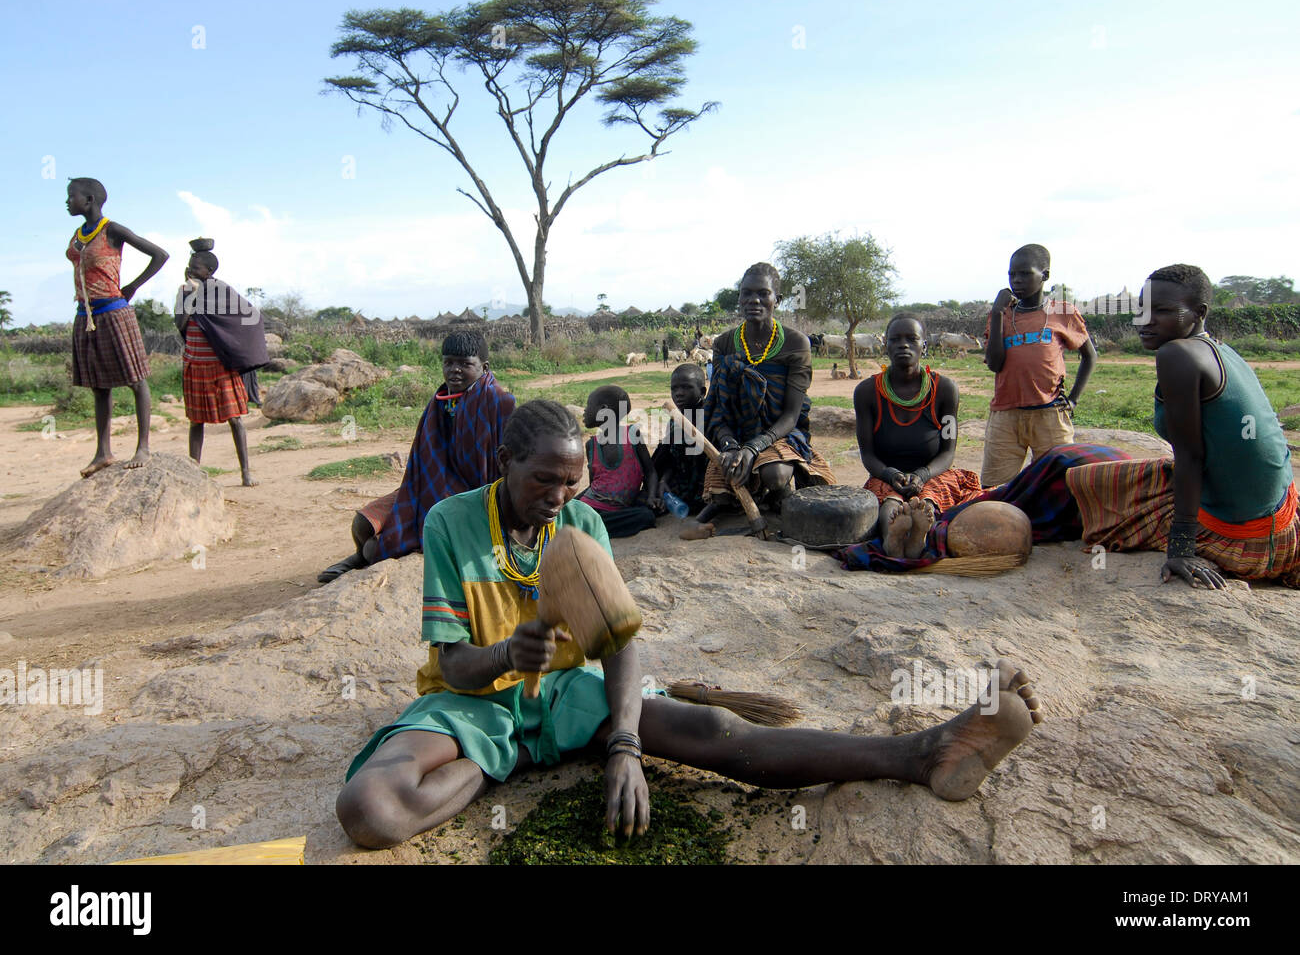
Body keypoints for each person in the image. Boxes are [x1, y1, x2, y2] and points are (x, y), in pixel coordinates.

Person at [334, 399, 1045, 848]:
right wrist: (502, 659)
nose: (557, 498)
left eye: (570, 483)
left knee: (715, 732)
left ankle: (924, 754)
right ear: (503, 464)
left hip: (559, 696)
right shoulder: (452, 523)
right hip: (471, 700)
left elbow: (616, 649)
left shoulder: (580, 525)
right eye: (540, 481)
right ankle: (509, 758)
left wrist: (622, 745)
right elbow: (454, 665)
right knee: (371, 808)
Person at [1065, 265, 1299, 589]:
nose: (1144, 321)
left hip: (1248, 536)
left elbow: (1190, 456)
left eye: (1161, 311)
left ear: (1199, 312)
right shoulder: (1219, 349)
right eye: (1141, 310)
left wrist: (1181, 549)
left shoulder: (1177, 354)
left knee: (1077, 484)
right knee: (1090, 469)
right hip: (1281, 512)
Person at [317, 331, 514, 584]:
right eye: (449, 362)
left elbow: (507, 467)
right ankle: (358, 558)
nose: (455, 370)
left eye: (465, 364)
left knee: (375, 549)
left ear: (484, 367)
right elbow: (424, 459)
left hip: (475, 496)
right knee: (362, 524)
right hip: (427, 487)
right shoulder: (440, 401)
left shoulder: (501, 403)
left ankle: (367, 557)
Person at [698, 263, 835, 526]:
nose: (754, 300)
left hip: (778, 432)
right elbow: (717, 406)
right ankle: (757, 497)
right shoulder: (724, 344)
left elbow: (791, 415)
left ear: (777, 300)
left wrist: (753, 448)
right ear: (738, 298)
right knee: (724, 481)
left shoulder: (796, 343)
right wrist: (730, 445)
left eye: (763, 293)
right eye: (746, 293)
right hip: (736, 433)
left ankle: (781, 495)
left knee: (775, 474)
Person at [64, 177, 169, 477]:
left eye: (73, 196)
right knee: (99, 386)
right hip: (86, 316)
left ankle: (143, 447)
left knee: (136, 381)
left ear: (90, 200)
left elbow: (159, 254)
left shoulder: (113, 229)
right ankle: (103, 452)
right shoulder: (78, 234)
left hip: (113, 312)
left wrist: (133, 285)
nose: (68, 201)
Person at [855, 316, 983, 558]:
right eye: (895, 339)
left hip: (933, 472)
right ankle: (893, 534)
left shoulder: (945, 389)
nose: (903, 345)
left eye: (912, 339)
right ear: (885, 346)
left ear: (924, 345)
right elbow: (868, 455)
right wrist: (890, 474)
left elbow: (948, 452)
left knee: (928, 500)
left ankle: (919, 534)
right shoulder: (867, 392)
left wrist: (923, 474)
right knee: (888, 501)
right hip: (886, 473)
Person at [982, 244, 1096, 487]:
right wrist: (998, 312)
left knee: (1060, 485)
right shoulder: (1001, 314)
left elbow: (1089, 356)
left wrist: (1073, 399)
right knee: (995, 488)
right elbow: (995, 364)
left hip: (1050, 414)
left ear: (1045, 276)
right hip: (1006, 415)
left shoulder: (1062, 312)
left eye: (1025, 274)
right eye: (1012, 274)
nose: (1017, 280)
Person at [175, 240, 268, 487]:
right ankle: (194, 473)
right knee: (196, 422)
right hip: (195, 364)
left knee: (236, 419)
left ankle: (245, 473)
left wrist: (240, 349)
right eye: (189, 265)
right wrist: (191, 296)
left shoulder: (221, 291)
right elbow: (180, 323)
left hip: (221, 366)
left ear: (209, 272)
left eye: (196, 267)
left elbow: (251, 317)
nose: (190, 269)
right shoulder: (185, 290)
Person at [577, 385, 659, 537]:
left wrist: (652, 496)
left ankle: (589, 527)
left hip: (615, 511)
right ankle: (588, 526)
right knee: (578, 514)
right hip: (592, 508)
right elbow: (594, 486)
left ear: (603, 410)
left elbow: (651, 472)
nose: (584, 411)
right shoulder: (592, 445)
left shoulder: (632, 434)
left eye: (588, 406)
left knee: (646, 515)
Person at [650, 363, 710, 516]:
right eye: (674, 389)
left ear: (702, 392)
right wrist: (663, 481)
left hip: (706, 491)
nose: (679, 393)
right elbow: (671, 458)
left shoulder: (710, 418)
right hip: (680, 489)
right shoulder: (675, 419)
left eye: (686, 387)